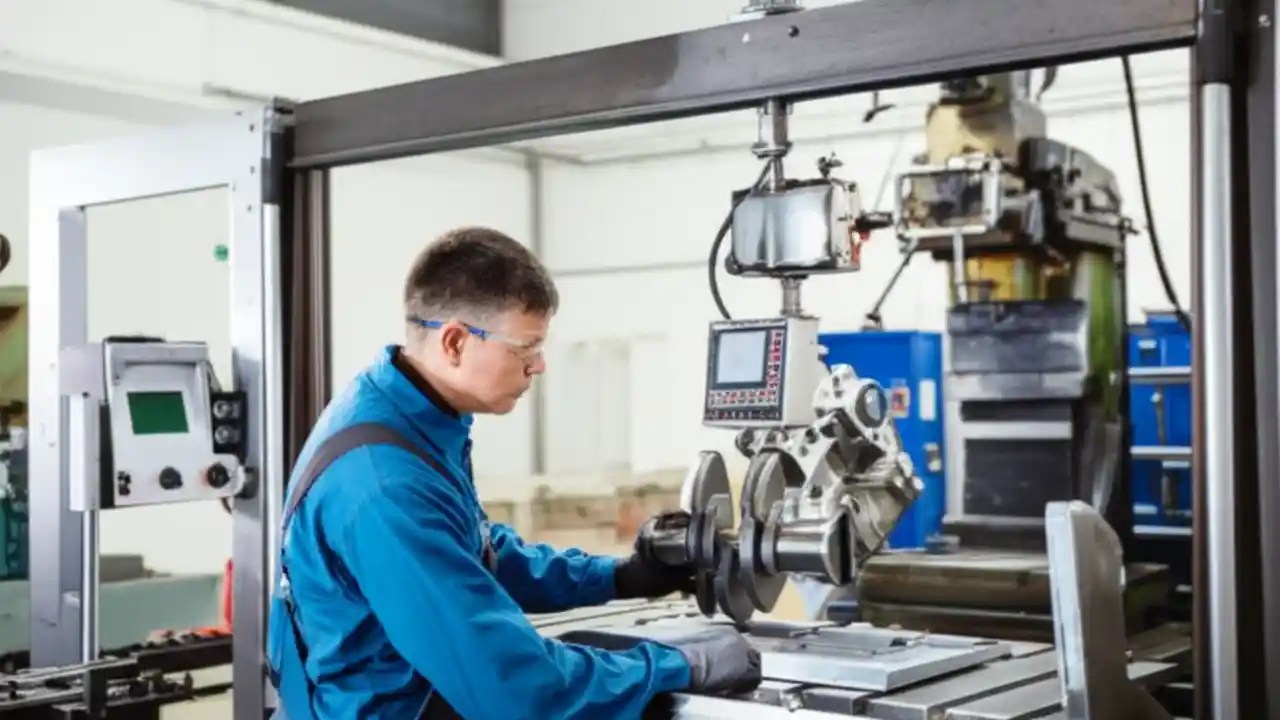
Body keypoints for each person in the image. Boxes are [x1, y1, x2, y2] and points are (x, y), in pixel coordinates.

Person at [266, 227, 761, 719]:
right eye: (525, 348)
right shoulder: (384, 484)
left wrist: (620, 577)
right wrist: (678, 666)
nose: (540, 365)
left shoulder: (409, 413)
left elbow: (474, 553)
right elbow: (514, 689)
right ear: (456, 342)